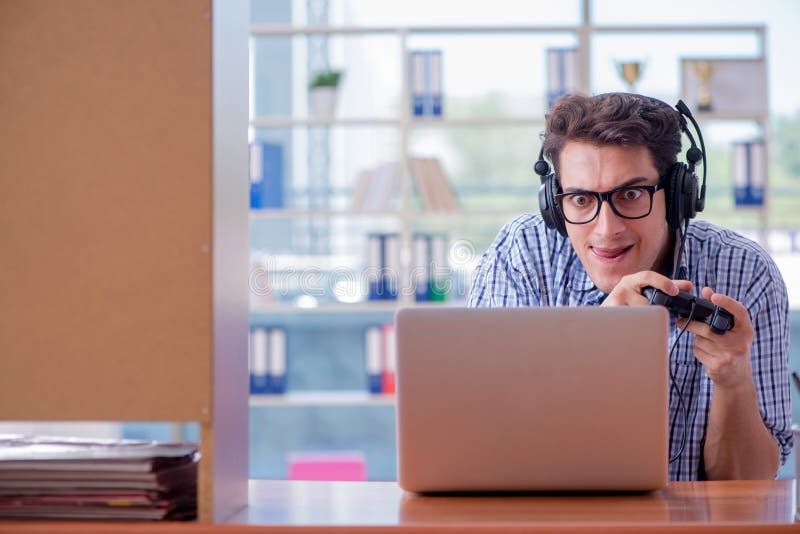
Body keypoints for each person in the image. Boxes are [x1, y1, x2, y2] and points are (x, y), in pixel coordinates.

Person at [467, 92, 792, 481]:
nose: (607, 230)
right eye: (581, 199)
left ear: (676, 195)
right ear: (555, 204)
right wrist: (595, 343)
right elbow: (491, 452)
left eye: (632, 194)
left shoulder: (745, 272)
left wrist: (733, 380)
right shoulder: (522, 256)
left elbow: (746, 489)